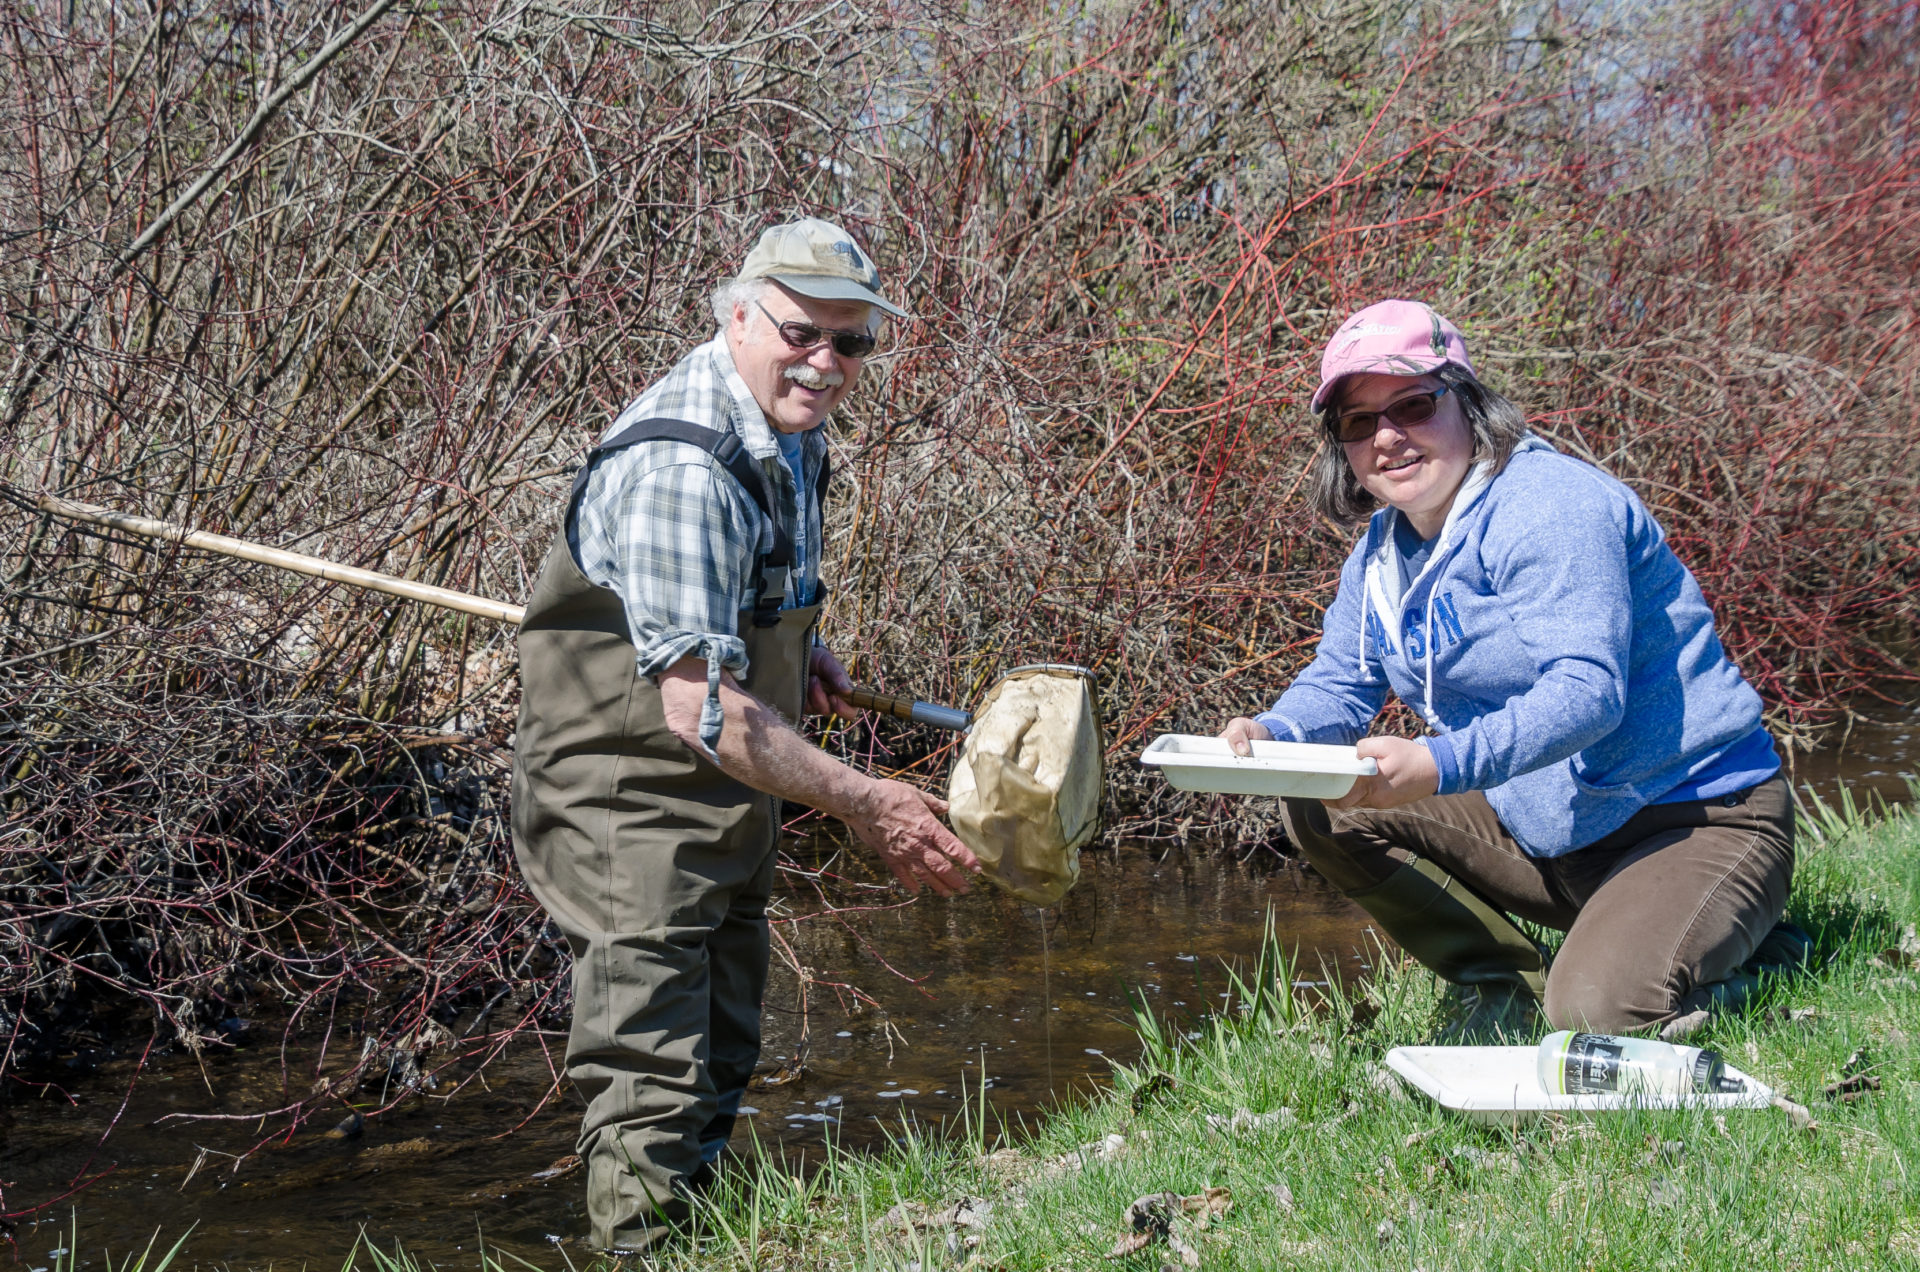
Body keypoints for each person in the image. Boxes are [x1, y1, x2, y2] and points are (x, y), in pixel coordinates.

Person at [510, 217, 981, 1254]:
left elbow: (748, 609)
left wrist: (801, 655)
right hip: (627, 792)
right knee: (650, 1074)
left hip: (722, 794)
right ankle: (641, 1251)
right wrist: (870, 802)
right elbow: (702, 711)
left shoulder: (790, 428)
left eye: (852, 344)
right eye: (803, 333)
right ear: (737, 313)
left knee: (723, 1043)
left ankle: (696, 1242)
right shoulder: (687, 464)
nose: (826, 364)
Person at [1221, 299, 1801, 1040]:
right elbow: (1342, 680)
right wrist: (1275, 732)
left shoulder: (1549, 506)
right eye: (1359, 423)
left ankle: (1731, 953)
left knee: (1598, 1014)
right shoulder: (1380, 553)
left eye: (1413, 405)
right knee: (1325, 801)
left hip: (1692, 817)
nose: (1388, 438)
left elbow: (1588, 693)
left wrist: (1439, 761)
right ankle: (1500, 983)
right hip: (1553, 829)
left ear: (1467, 401)